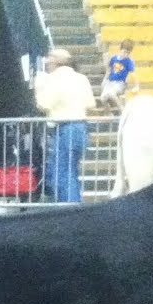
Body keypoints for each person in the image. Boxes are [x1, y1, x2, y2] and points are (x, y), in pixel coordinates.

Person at [33, 48, 94, 204]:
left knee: (63, 175)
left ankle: (70, 210)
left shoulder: (53, 79)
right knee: (69, 172)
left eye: (49, 59)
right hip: (81, 128)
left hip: (65, 129)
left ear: (56, 62)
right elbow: (91, 104)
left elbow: (43, 104)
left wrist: (39, 86)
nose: (47, 62)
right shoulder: (81, 78)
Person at [100, 40, 137, 111]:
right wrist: (105, 79)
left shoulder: (129, 62)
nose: (126, 54)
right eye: (124, 51)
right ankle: (108, 113)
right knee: (103, 98)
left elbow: (133, 74)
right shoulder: (114, 59)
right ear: (120, 49)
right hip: (110, 82)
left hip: (120, 83)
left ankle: (122, 110)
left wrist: (136, 86)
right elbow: (109, 70)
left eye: (128, 53)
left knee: (112, 94)